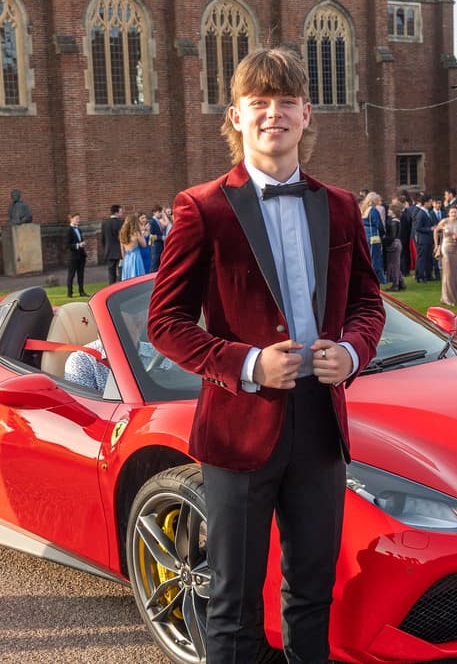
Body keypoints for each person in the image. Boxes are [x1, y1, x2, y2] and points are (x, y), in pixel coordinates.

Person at [146, 48, 385, 663]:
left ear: (307, 114)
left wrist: (354, 353)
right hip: (238, 430)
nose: (273, 114)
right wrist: (248, 364)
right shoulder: (202, 208)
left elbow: (368, 303)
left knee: (312, 594)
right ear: (236, 116)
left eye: (285, 102)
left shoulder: (338, 206)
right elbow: (165, 323)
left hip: (320, 429)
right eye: (259, 103)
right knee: (232, 603)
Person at [434, 205, 457, 305]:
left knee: (454, 273)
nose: (454, 214)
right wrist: (436, 244)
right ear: (448, 213)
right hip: (445, 247)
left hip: (455, 248)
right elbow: (436, 230)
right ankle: (447, 298)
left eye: (455, 212)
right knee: (448, 272)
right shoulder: (444, 221)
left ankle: (454, 296)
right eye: (452, 212)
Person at [360, 191, 387, 283]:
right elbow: (378, 224)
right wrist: (383, 233)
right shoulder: (373, 211)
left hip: (365, 234)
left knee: (367, 256)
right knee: (376, 257)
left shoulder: (363, 210)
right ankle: (379, 278)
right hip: (373, 235)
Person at [413, 194, 437, 283]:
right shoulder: (421, 214)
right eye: (430, 202)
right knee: (422, 258)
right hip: (423, 240)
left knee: (428, 258)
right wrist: (430, 229)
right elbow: (418, 228)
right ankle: (420, 276)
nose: (431, 204)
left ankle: (428, 275)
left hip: (428, 239)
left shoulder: (427, 212)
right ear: (425, 203)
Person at [64, 212, 88, 298]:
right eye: (76, 218)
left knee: (81, 275)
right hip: (73, 257)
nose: (78, 220)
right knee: (71, 275)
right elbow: (67, 245)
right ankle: (69, 293)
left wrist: (82, 244)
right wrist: (78, 245)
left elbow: (80, 240)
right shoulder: (68, 230)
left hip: (81, 255)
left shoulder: (79, 229)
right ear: (71, 219)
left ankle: (81, 291)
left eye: (79, 218)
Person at [383, 202, 405, 291]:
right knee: (396, 264)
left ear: (393, 211)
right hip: (397, 243)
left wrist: (384, 239)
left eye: (389, 210)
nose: (388, 211)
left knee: (393, 265)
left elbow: (392, 236)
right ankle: (400, 283)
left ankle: (395, 285)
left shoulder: (393, 223)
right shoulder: (397, 221)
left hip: (394, 244)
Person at [100, 204, 125, 284]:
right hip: (120, 250)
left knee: (111, 271)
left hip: (109, 250)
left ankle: (111, 287)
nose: (122, 213)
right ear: (116, 213)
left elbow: (103, 238)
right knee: (120, 270)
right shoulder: (121, 222)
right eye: (120, 212)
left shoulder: (104, 223)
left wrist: (105, 248)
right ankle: (120, 286)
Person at [119, 213, 147, 280]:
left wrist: (125, 259)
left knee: (128, 277)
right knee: (136, 277)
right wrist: (141, 232)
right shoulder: (136, 233)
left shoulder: (122, 233)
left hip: (127, 258)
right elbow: (144, 244)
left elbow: (122, 251)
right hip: (135, 257)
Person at [148, 205, 167, 271]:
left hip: (160, 246)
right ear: (155, 212)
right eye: (160, 212)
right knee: (155, 265)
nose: (161, 214)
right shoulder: (151, 222)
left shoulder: (157, 221)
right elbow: (151, 236)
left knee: (159, 265)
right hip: (155, 247)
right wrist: (161, 237)